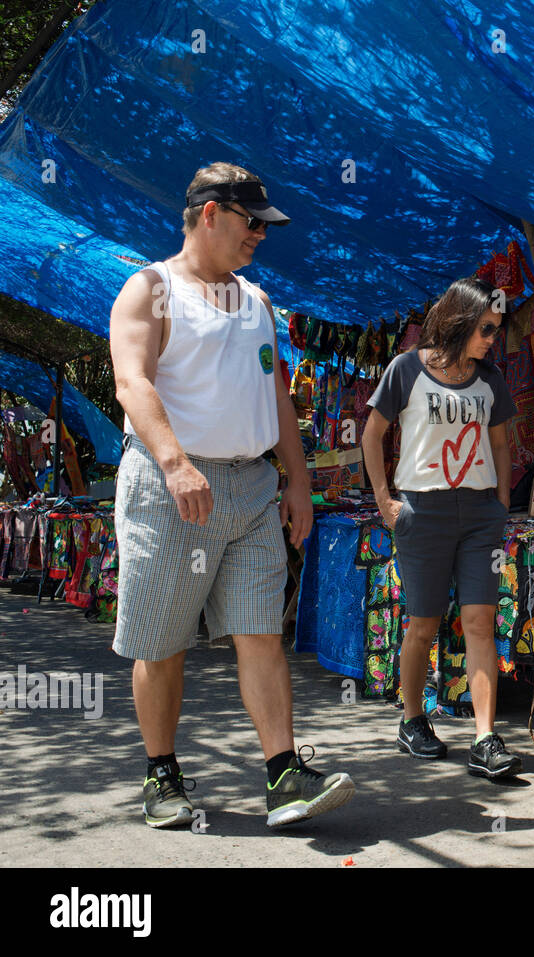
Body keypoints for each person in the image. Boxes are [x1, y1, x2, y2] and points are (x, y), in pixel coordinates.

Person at [109, 162, 354, 828]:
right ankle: (162, 775)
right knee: (161, 644)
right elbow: (133, 383)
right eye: (253, 223)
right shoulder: (149, 290)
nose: (261, 237)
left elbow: (274, 393)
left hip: (250, 490)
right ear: (211, 213)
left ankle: (283, 774)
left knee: (259, 634)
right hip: (173, 488)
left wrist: (298, 478)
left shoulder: (257, 302)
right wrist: (175, 462)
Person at [360, 277, 522, 779]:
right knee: (423, 624)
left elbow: (500, 445)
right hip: (421, 513)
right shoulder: (406, 368)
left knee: (480, 623)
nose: (493, 339)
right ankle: (412, 720)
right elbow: (372, 436)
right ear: (459, 323)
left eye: (496, 331)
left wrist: (498, 502)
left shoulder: (490, 379)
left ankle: (485, 739)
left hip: (479, 518)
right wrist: (386, 501)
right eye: (486, 329)